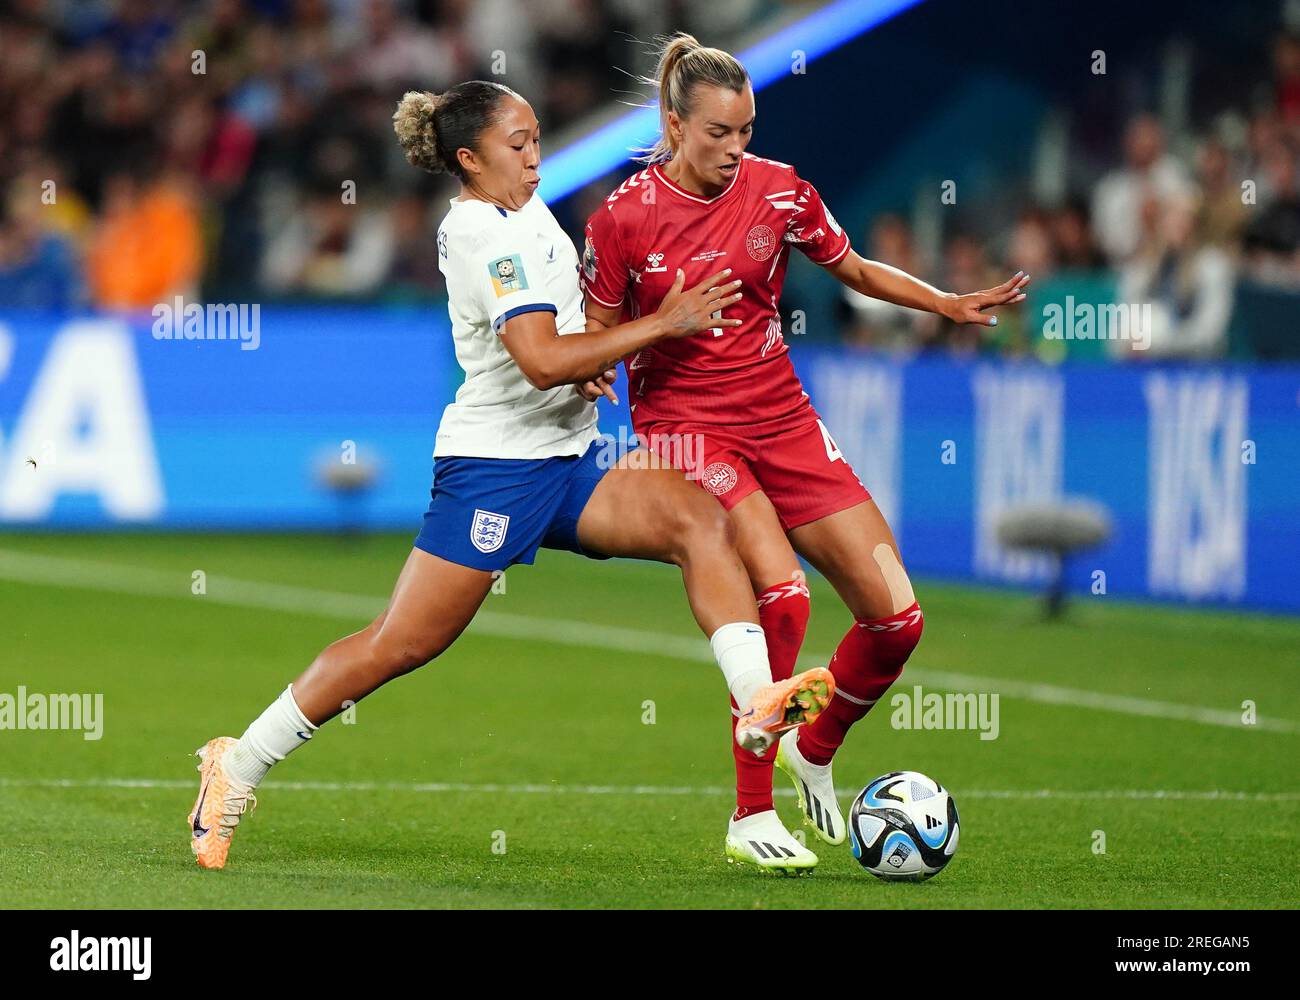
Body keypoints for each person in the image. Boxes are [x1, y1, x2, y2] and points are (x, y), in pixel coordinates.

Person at [187, 80, 835, 873]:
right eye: (518, 144)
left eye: (536, 138)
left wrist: (595, 360)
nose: (536, 157)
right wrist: (661, 324)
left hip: (570, 457)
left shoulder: (527, 210)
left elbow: (563, 341)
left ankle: (757, 705)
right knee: (401, 644)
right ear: (469, 159)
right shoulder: (476, 232)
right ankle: (236, 763)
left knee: (699, 519)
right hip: (495, 468)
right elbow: (536, 363)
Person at [580, 34, 1027, 872]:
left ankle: (814, 748)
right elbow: (596, 336)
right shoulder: (624, 217)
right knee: (782, 598)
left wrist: (945, 302)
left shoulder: (781, 191)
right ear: (675, 125)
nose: (735, 149)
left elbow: (853, 267)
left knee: (897, 618)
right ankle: (750, 816)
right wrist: (597, 375)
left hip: (783, 419)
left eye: (745, 130)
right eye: (718, 133)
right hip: (686, 429)